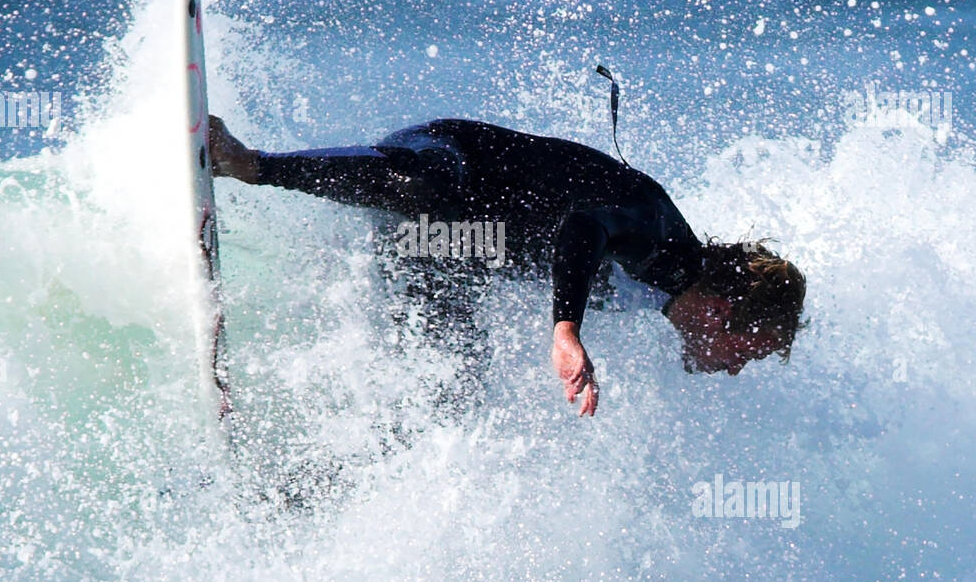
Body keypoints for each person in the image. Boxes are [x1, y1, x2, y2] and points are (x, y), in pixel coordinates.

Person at [207, 114, 806, 416]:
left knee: (447, 400)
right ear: (726, 312)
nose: (734, 371)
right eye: (748, 351)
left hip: (447, 250)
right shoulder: (662, 241)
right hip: (447, 162)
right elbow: (583, 225)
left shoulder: (659, 295)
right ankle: (250, 163)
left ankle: (304, 492)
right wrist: (566, 331)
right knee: (426, 189)